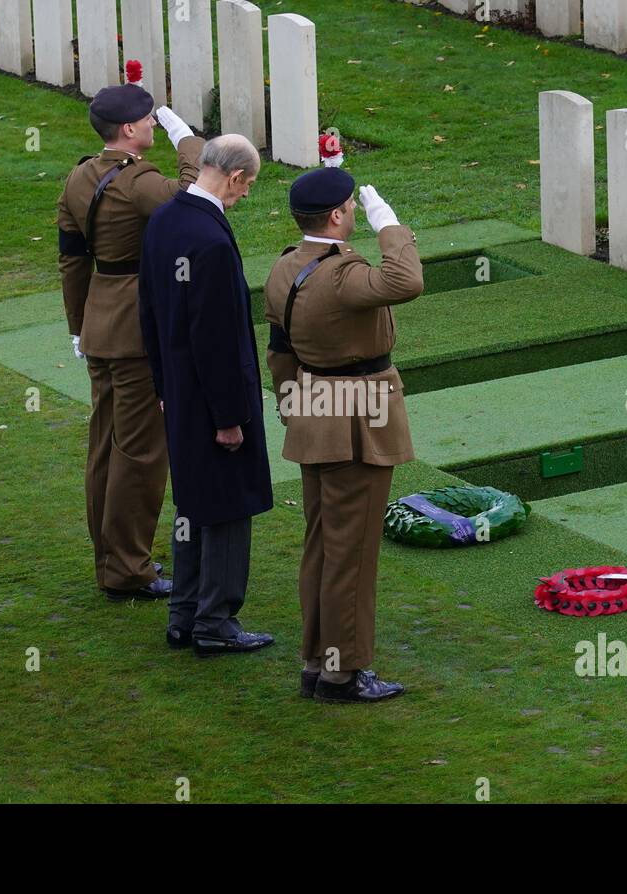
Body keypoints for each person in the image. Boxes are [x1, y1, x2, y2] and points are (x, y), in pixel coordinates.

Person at [263, 167, 424, 704]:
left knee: (322, 545)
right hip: (356, 418)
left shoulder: (286, 267)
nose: (356, 210)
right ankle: (343, 673)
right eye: (353, 205)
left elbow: (281, 353)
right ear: (337, 215)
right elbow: (405, 283)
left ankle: (317, 660)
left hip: (314, 412)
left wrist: (292, 408)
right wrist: (391, 227)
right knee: (351, 552)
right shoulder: (341, 273)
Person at [57, 84, 204, 602]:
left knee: (104, 447)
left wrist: (78, 325)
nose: (152, 126)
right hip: (137, 328)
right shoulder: (138, 179)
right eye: (148, 120)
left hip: (99, 322)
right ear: (128, 130)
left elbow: (72, 259)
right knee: (140, 455)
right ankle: (127, 567)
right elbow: (191, 198)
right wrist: (187, 140)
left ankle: (110, 556)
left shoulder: (78, 176)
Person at [138, 135, 274, 657]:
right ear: (236, 177)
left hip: (178, 393)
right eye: (249, 185)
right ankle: (215, 621)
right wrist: (229, 417)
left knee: (193, 502)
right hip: (212, 399)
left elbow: (148, 313)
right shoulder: (212, 241)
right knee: (227, 507)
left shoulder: (165, 220)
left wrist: (163, 388)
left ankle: (185, 614)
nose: (245, 195)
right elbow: (215, 340)